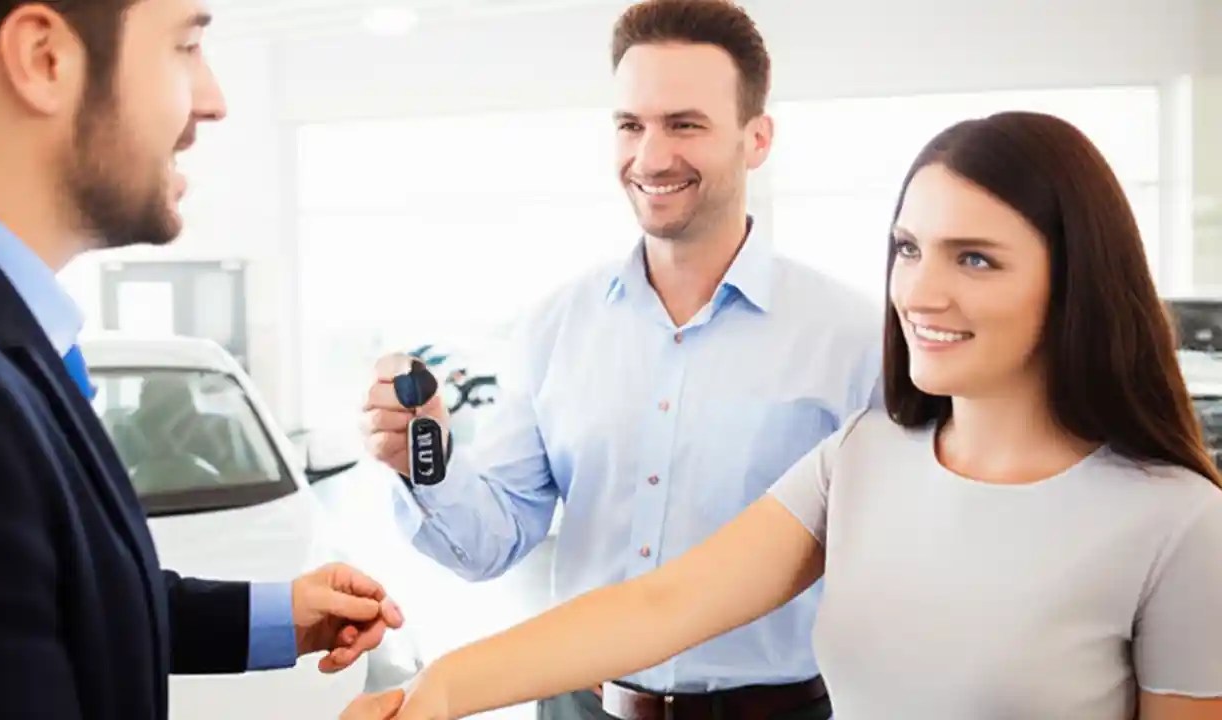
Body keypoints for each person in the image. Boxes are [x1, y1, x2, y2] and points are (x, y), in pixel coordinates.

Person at [345, 111, 1222, 720]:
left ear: (1075, 282)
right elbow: (665, 603)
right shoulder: (863, 457)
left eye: (978, 259)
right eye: (909, 248)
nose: (922, 289)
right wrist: (444, 689)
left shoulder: (1174, 523)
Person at [360, 1, 878, 719]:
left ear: (756, 138)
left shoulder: (855, 339)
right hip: (579, 707)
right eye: (631, 125)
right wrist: (430, 461)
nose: (651, 157)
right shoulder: (554, 327)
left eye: (685, 125)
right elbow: (491, 545)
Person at [0, 1, 405, 717]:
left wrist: (281, 613)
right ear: (44, 59)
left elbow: (65, 594)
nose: (214, 101)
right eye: (186, 47)